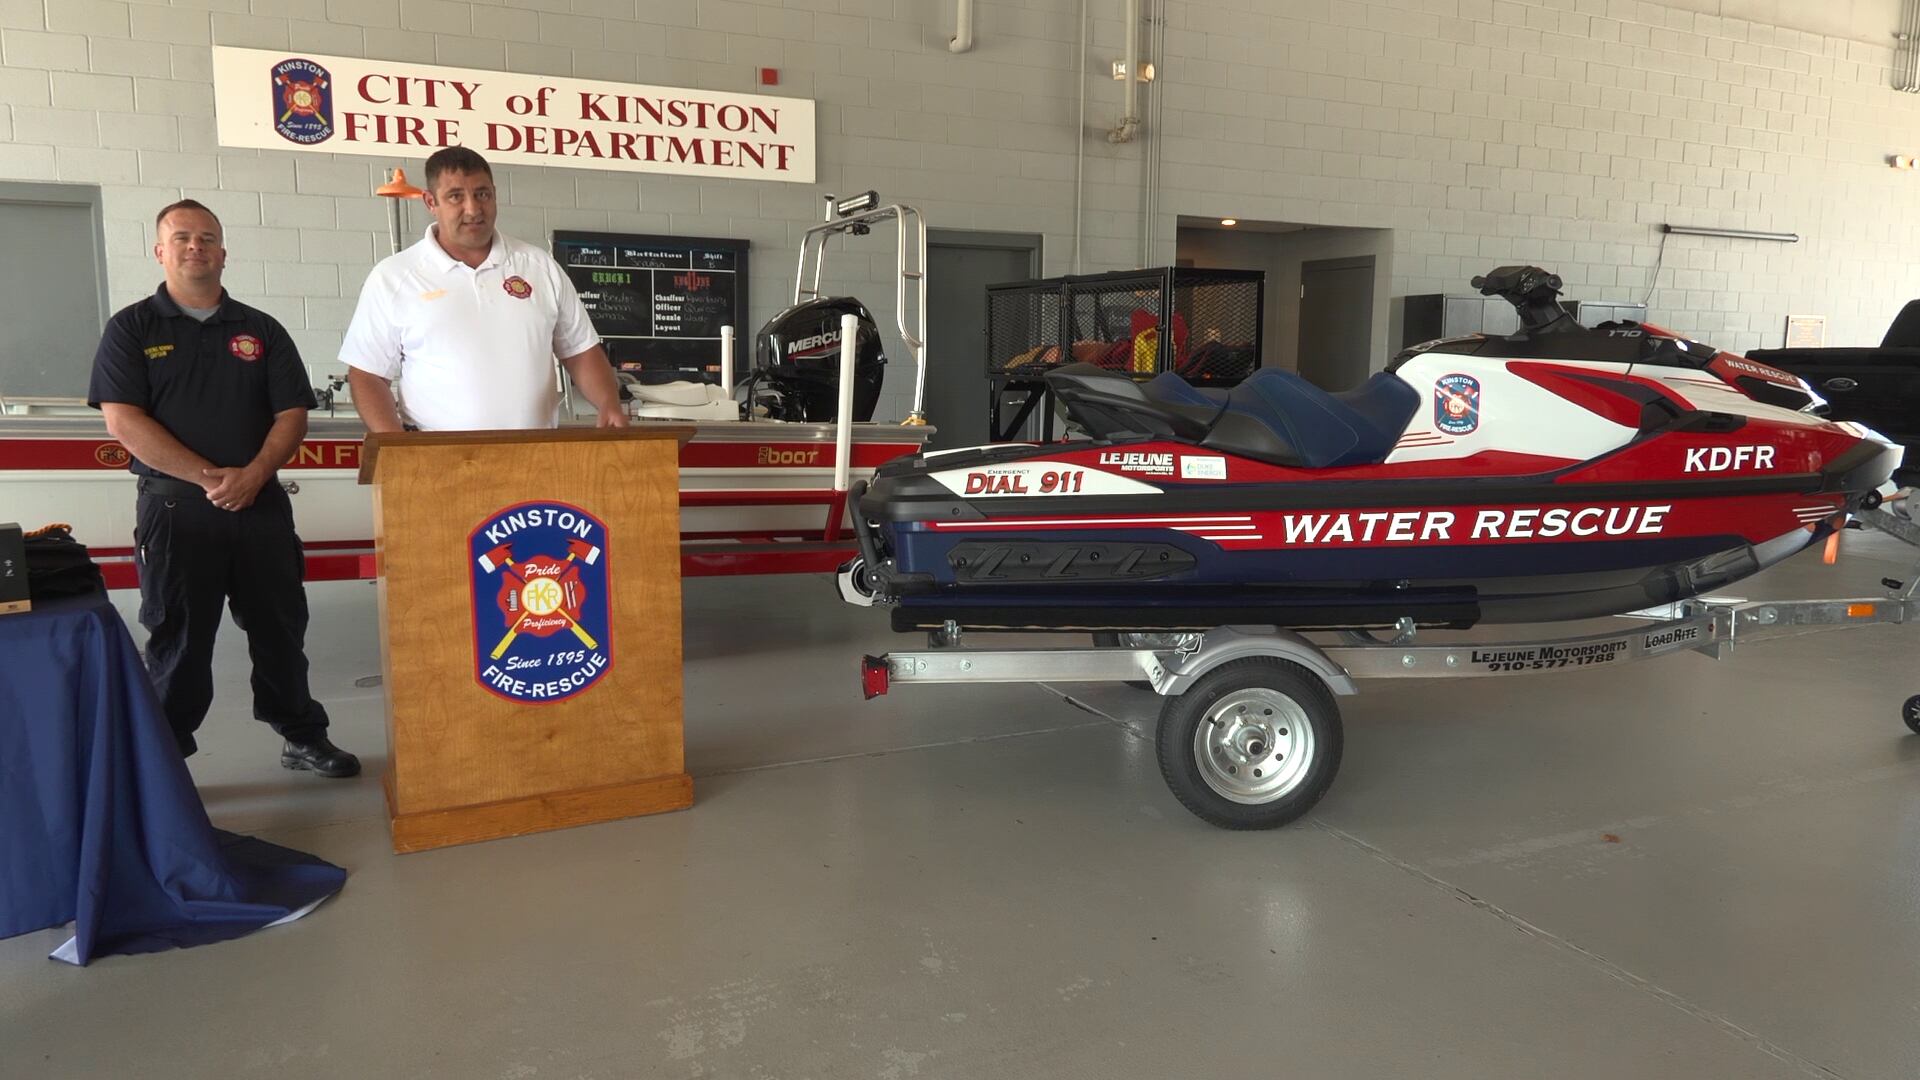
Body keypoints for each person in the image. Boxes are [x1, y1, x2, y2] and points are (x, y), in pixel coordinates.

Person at [87, 200, 359, 778]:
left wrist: (254, 475)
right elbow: (124, 422)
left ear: (224, 252)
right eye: (181, 237)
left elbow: (291, 415)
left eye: (207, 237)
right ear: (160, 251)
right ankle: (164, 760)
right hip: (176, 507)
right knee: (179, 634)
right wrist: (210, 478)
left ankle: (302, 735)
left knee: (281, 627)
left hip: (259, 505)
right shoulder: (131, 328)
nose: (196, 247)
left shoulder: (260, 330)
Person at [341, 146, 628, 432]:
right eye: (455, 196)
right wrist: (395, 445)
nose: (473, 209)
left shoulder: (539, 267)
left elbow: (580, 351)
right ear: (431, 202)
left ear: (494, 194)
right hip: (435, 462)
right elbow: (367, 374)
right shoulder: (394, 277)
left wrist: (608, 403)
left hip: (536, 458)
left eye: (482, 194)